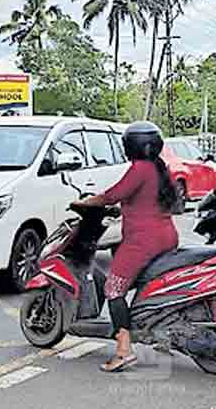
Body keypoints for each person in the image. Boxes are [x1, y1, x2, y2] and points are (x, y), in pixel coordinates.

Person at [70, 121, 180, 372]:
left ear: (131, 146)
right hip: (166, 236)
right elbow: (143, 200)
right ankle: (161, 334)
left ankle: (123, 350)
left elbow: (113, 194)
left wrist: (86, 202)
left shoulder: (140, 168)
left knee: (114, 288)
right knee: (147, 286)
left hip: (143, 241)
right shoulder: (159, 168)